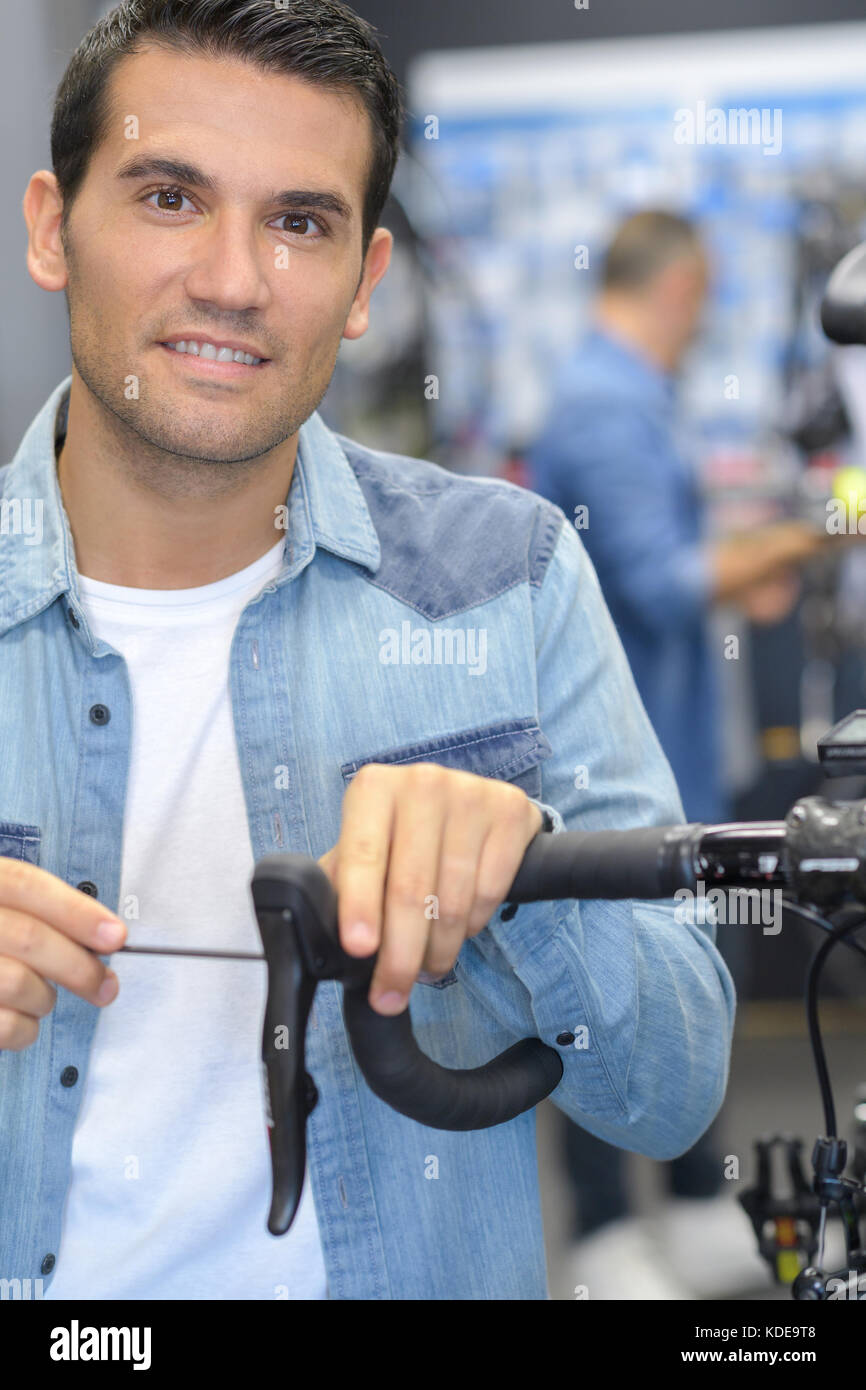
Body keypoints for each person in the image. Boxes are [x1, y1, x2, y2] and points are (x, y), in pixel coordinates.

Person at [0, 3, 734, 1302]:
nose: (233, 277)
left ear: (363, 280)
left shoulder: (505, 577)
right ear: (54, 228)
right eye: (170, 197)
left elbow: (674, 1094)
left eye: (298, 221)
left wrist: (528, 875)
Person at [529, 210, 830, 1298]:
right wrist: (822, 526)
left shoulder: (629, 402)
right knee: (608, 994)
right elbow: (657, 582)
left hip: (669, 762)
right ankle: (608, 1237)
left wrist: (747, 563)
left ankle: (699, 1204)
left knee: (686, 983)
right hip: (621, 772)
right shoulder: (603, 408)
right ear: (681, 287)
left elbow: (649, 574)